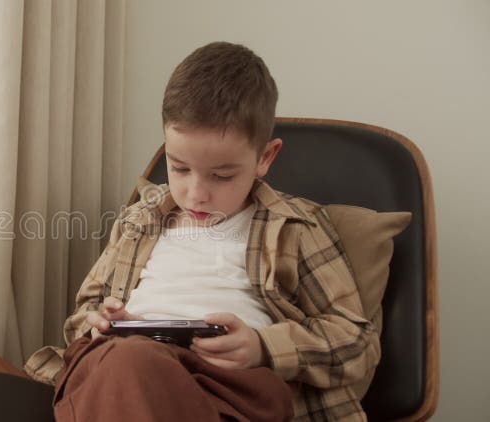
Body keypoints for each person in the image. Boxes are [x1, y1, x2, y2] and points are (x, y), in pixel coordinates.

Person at [25, 41, 379, 421]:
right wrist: (101, 324)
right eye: (178, 168)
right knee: (118, 361)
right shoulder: (139, 220)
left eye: (221, 176)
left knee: (124, 367)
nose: (195, 194)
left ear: (265, 157)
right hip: (122, 365)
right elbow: (84, 314)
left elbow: (357, 343)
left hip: (227, 385)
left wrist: (262, 346)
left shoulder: (295, 226)